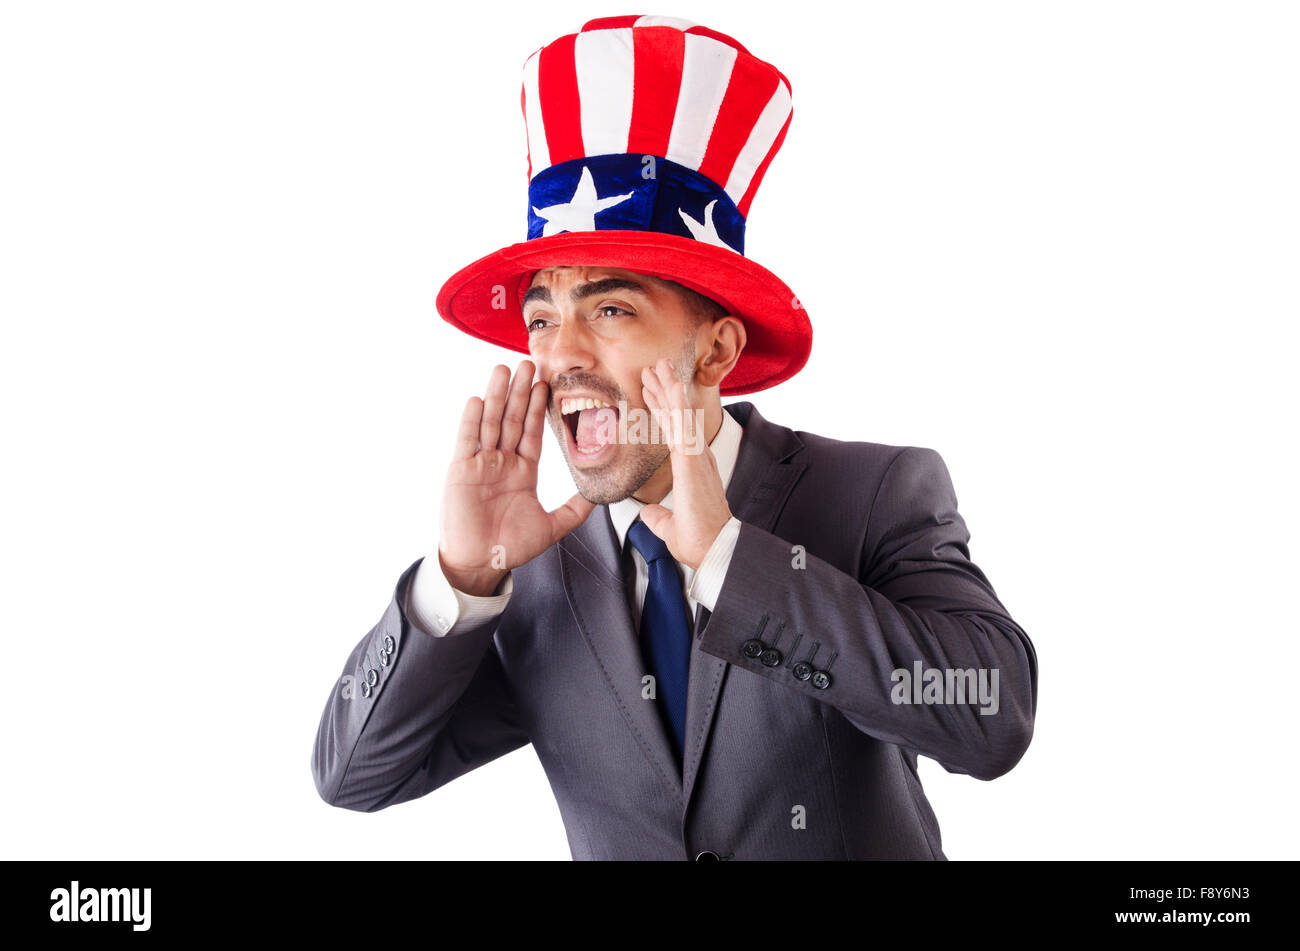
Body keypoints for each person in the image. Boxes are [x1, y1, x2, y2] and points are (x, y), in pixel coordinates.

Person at [311, 14, 1037, 860]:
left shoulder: (873, 495)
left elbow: (993, 712)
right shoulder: (533, 577)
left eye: (611, 310)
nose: (562, 356)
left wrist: (731, 562)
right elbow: (353, 774)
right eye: (541, 318)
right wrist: (462, 576)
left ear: (718, 349)